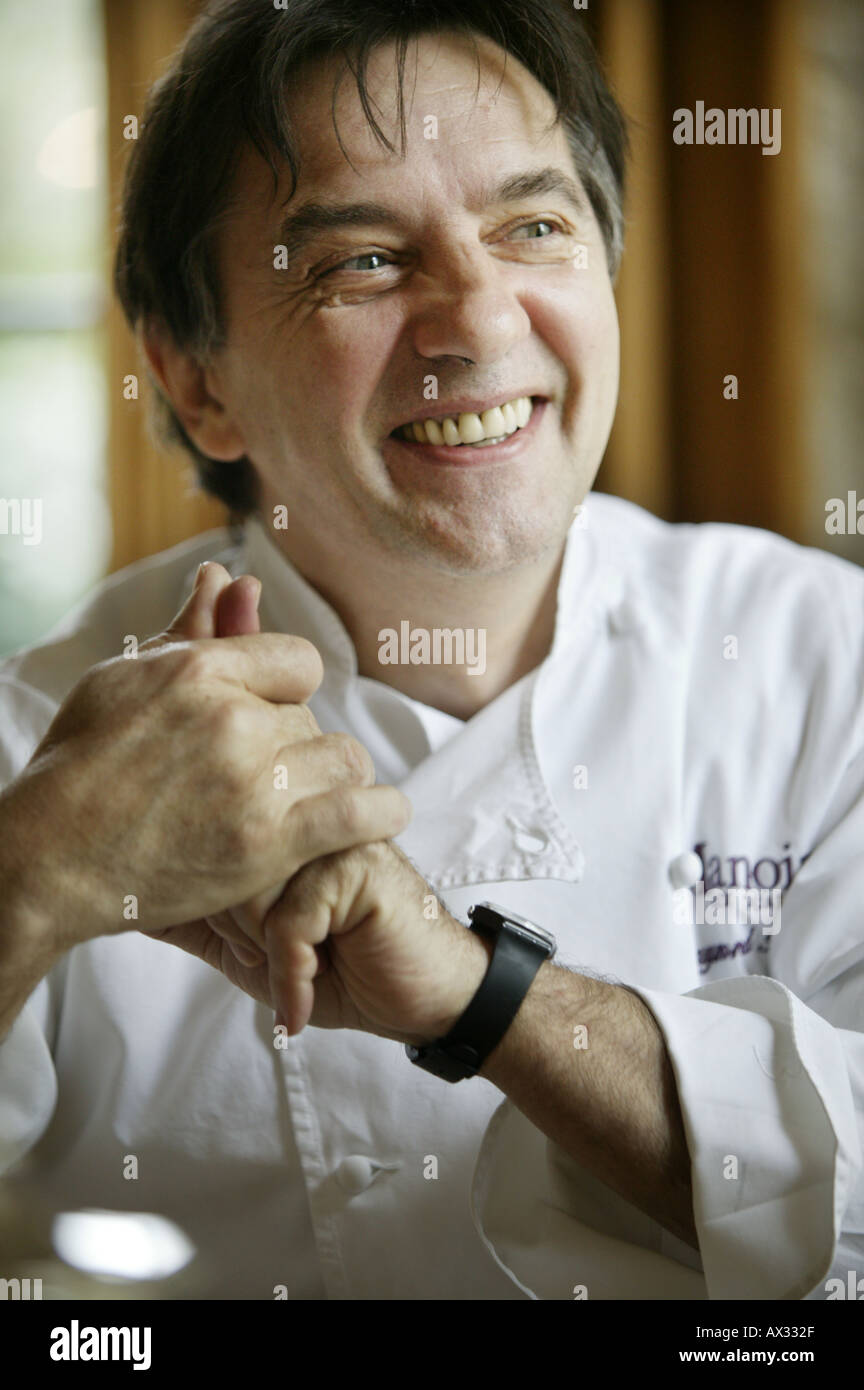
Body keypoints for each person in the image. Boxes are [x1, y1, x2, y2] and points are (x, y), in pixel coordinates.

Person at [0, 0, 861, 1302]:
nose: (479, 319)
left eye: (534, 228)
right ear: (194, 382)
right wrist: (32, 879)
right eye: (362, 262)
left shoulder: (819, 660)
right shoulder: (42, 748)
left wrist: (480, 997)